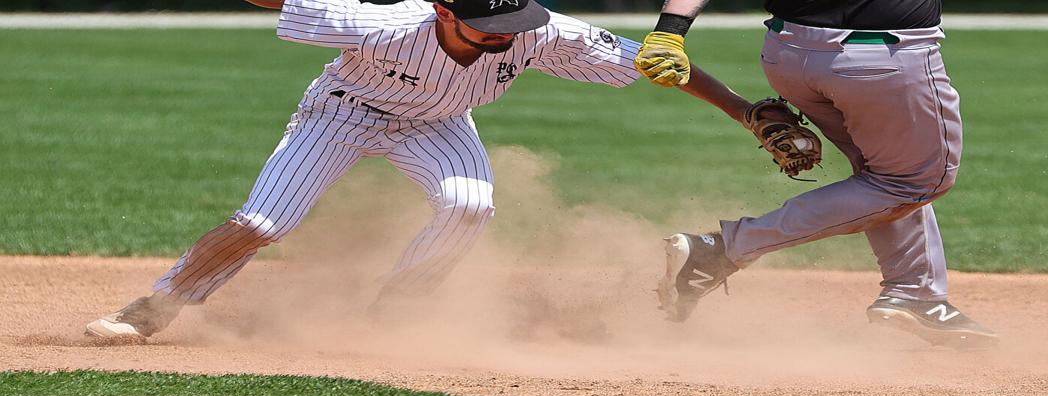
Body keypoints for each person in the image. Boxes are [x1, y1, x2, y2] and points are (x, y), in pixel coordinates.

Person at [87, 0, 758, 340]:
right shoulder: (385, 21)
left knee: (470, 205)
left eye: (511, 18)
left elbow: (649, 61)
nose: (506, 33)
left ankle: (395, 308)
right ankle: (156, 306)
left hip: (439, 123)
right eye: (489, 21)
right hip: (341, 114)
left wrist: (741, 109)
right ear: (444, 9)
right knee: (264, 221)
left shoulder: (540, 29)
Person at [635, 0, 996, 347]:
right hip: (880, 61)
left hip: (788, 53)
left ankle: (916, 293)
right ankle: (721, 249)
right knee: (913, 180)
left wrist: (670, 31)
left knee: (883, 171)